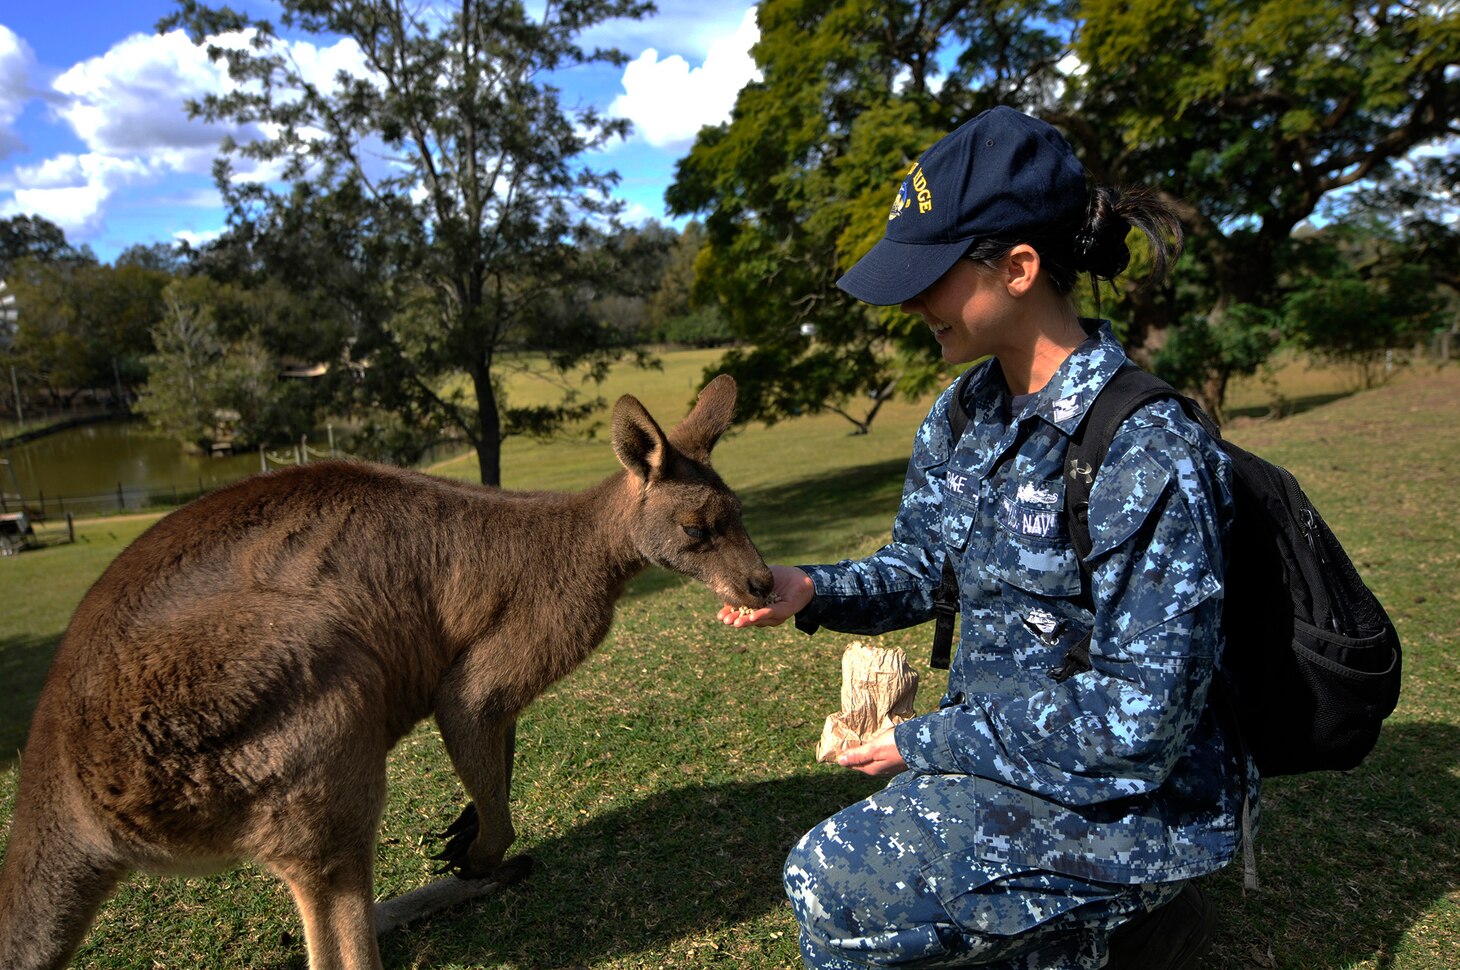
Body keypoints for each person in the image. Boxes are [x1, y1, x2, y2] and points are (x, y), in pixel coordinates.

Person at [720, 106, 1253, 969]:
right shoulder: (965, 411)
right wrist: (811, 588)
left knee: (828, 875)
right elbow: (924, 567)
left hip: (1140, 799)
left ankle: (1133, 923)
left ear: (1018, 268)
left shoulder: (1145, 450)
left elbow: (1143, 723)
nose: (909, 302)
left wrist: (925, 742)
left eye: (931, 275)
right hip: (1003, 758)